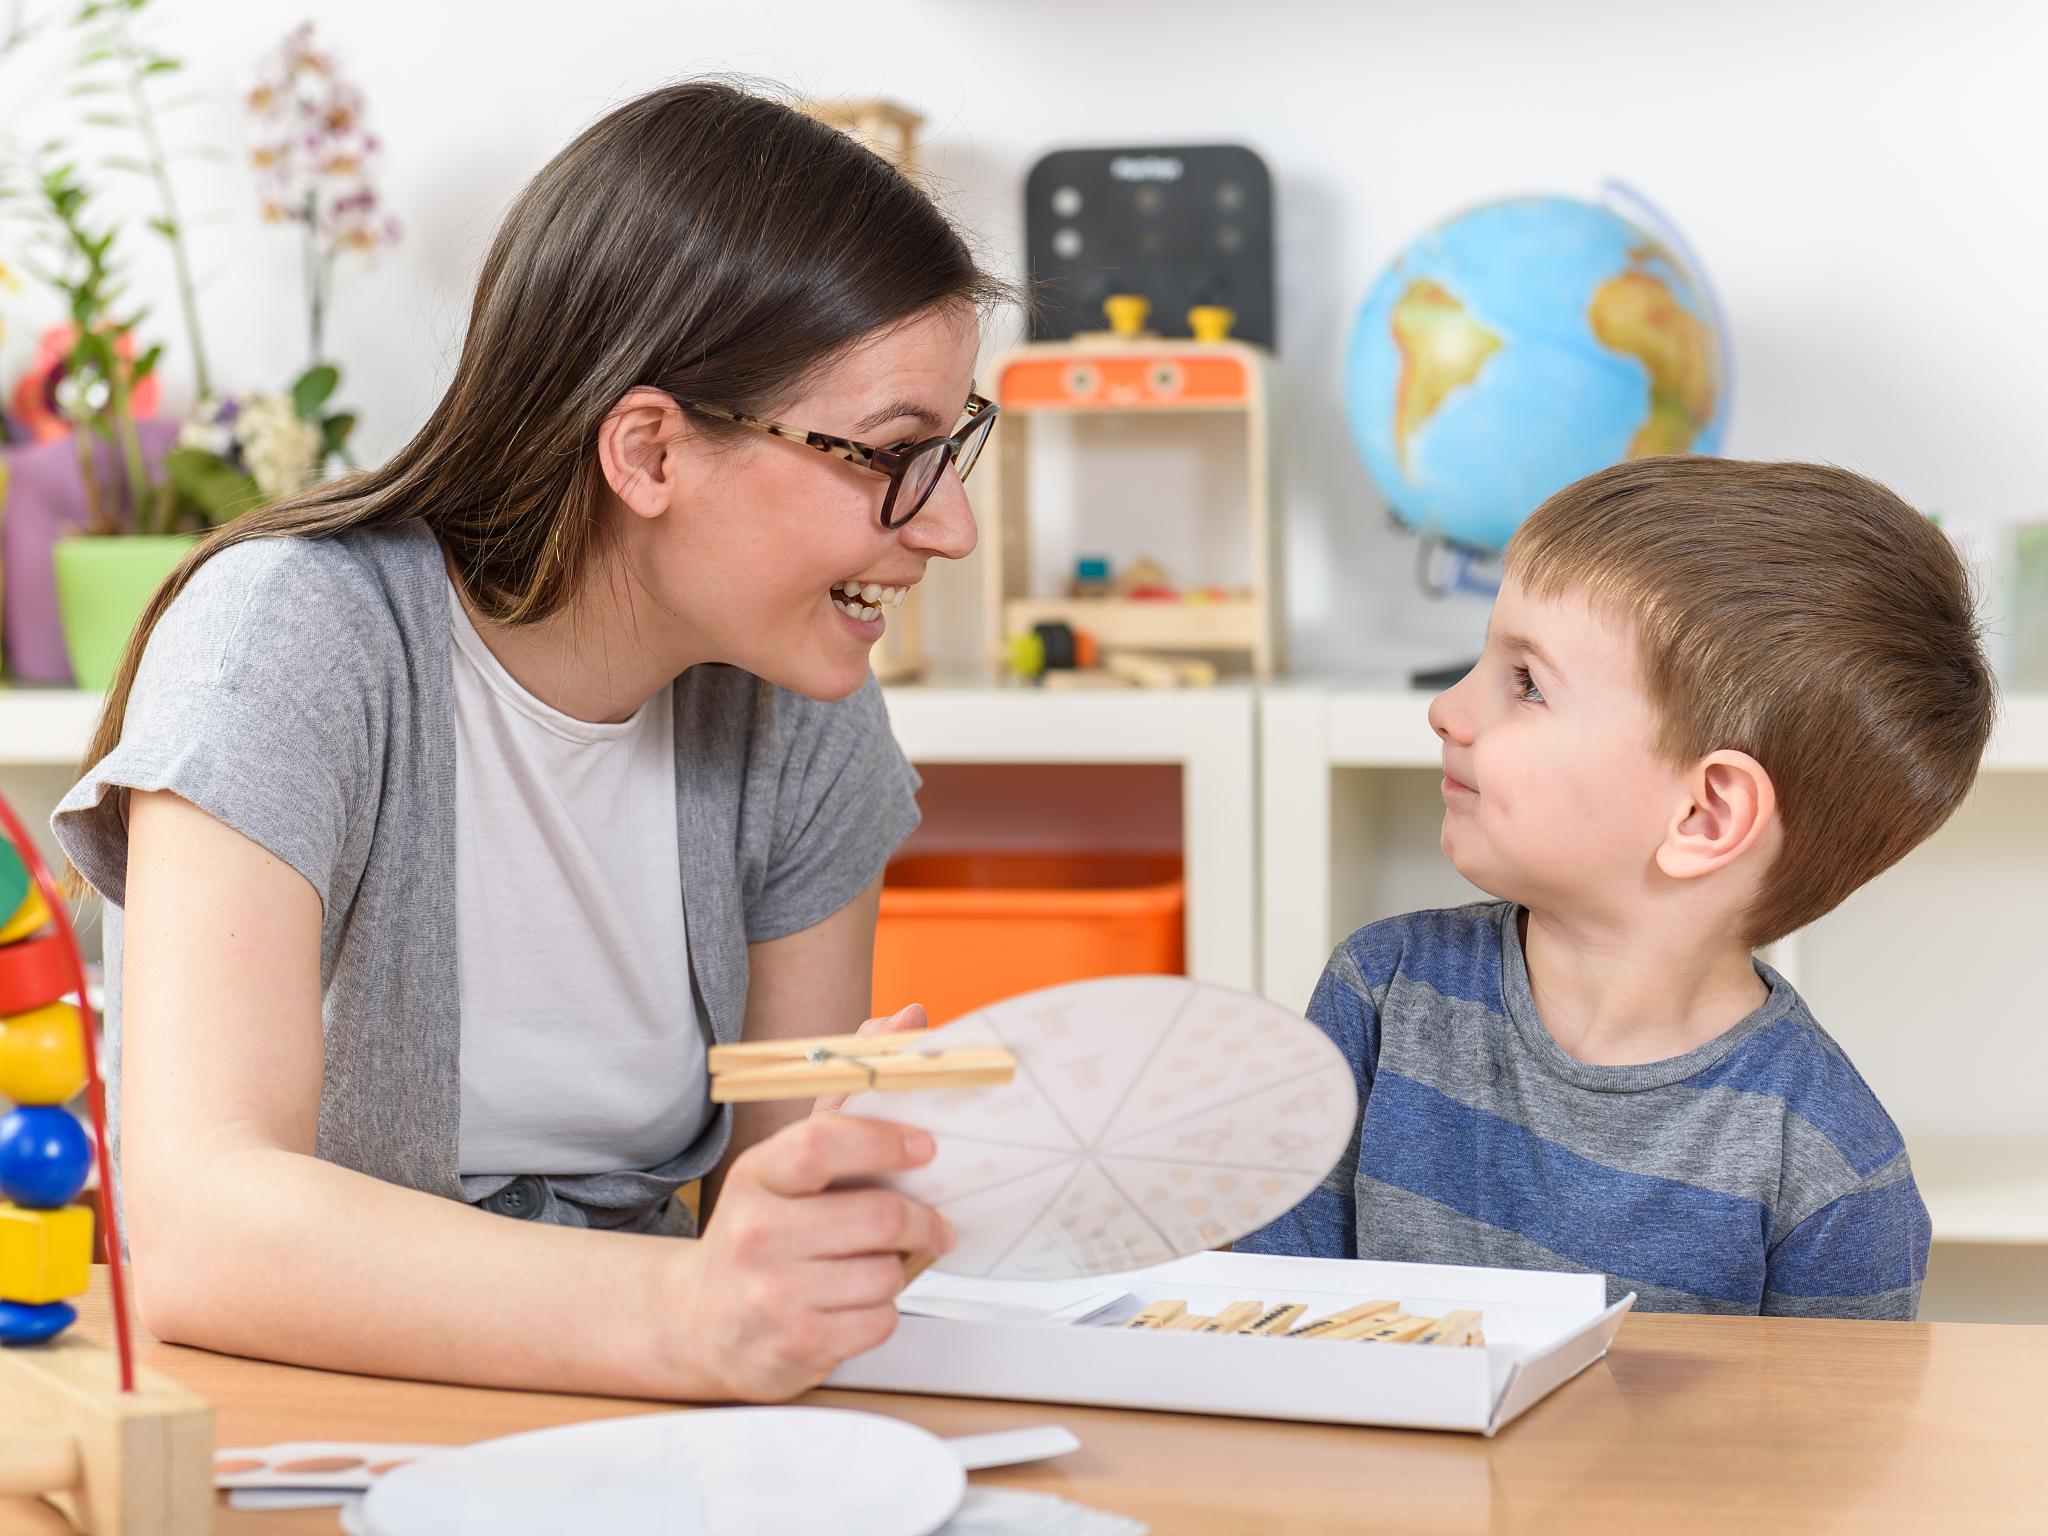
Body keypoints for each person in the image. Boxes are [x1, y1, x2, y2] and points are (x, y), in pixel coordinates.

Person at [52, 82, 1012, 1400]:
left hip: (637, 1422)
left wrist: (838, 1222)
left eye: (956, 446)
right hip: (302, 1410)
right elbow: (200, 1229)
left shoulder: (802, 703)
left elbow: (763, 1235)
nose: (949, 526)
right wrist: (686, 1311)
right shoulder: (292, 641)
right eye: (898, 453)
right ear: (650, 452)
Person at [1244, 457, 1994, 1317]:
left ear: (1705, 814)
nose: (1448, 708)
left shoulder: (1830, 1168)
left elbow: (1829, 1445)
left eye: (1525, 682)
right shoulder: (1381, 993)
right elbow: (1273, 1327)